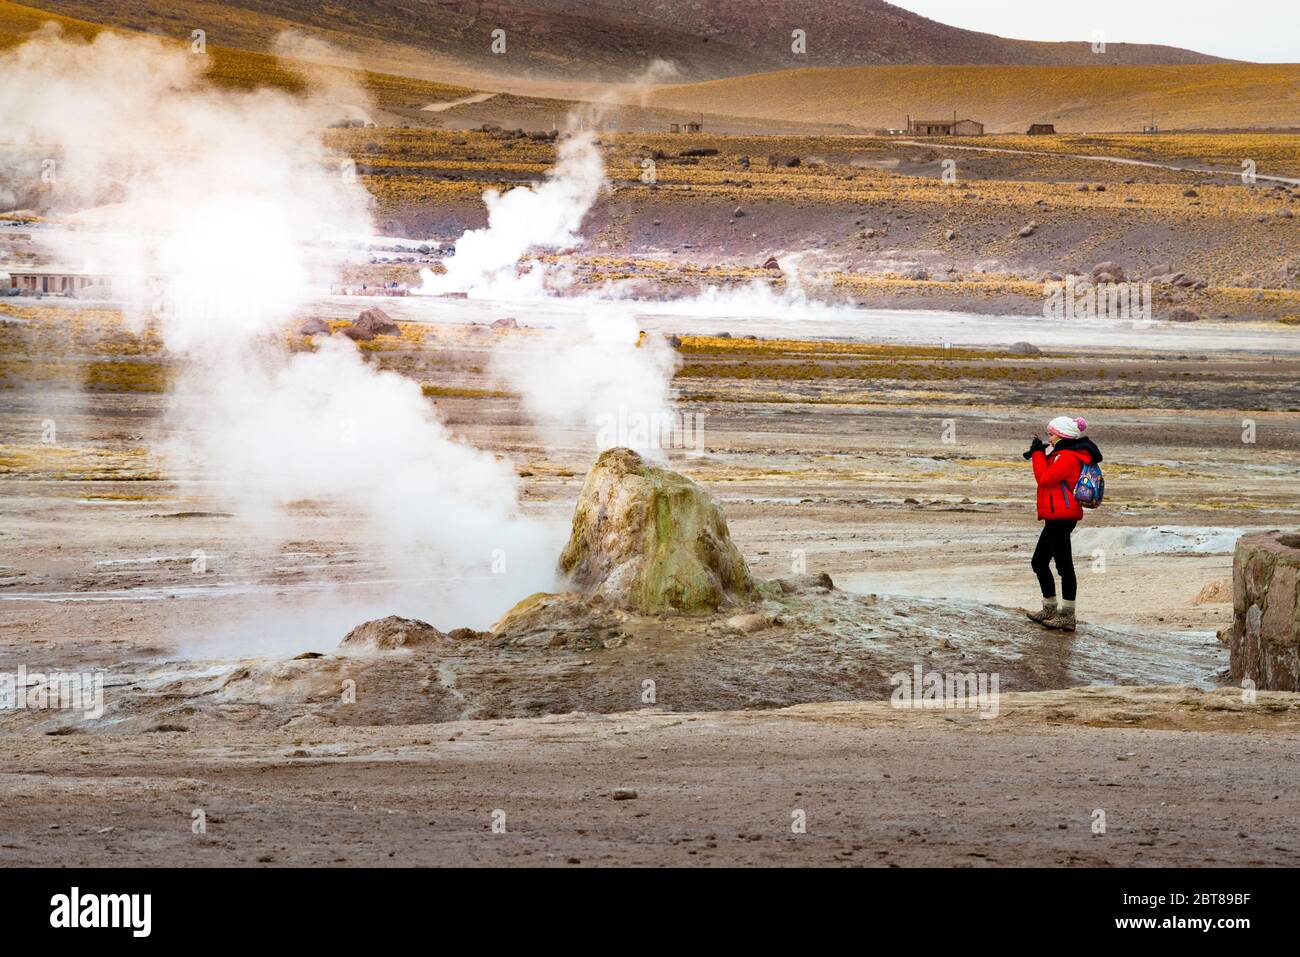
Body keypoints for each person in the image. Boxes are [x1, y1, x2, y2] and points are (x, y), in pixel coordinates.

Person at [1023, 415, 1102, 632]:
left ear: (1062, 435)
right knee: (1039, 563)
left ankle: (1067, 616)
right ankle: (1050, 608)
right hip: (1056, 516)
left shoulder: (1068, 457)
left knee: (1063, 566)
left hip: (1062, 517)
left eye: (1051, 434)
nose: (1049, 438)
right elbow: (1048, 476)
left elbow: (1045, 479)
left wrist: (1038, 453)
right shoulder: (1062, 454)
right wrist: (1039, 452)